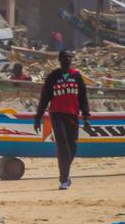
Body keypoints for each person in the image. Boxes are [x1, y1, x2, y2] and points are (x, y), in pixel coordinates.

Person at [34, 49, 91, 190]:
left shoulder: (77, 76)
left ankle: (65, 171)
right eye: (64, 57)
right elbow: (44, 98)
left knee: (72, 148)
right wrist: (38, 117)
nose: (67, 59)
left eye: (69, 57)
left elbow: (83, 98)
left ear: (72, 59)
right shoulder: (53, 77)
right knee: (63, 146)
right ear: (59, 60)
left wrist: (86, 117)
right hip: (57, 114)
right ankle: (63, 179)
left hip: (72, 115)